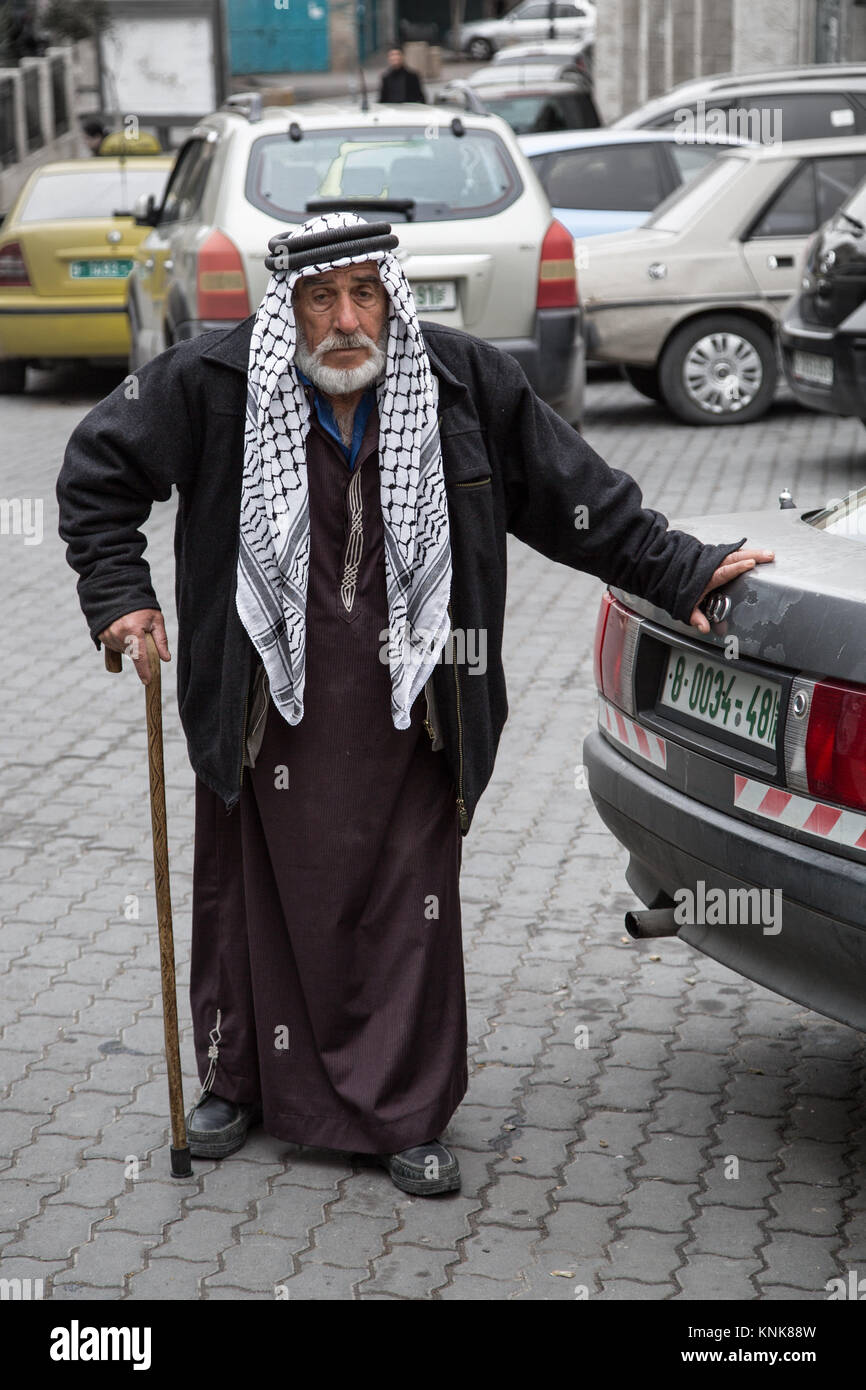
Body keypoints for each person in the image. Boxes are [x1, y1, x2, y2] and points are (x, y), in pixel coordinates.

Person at [57, 212, 773, 1197]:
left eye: (364, 295)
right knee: (251, 900)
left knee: (404, 910)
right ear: (289, 307)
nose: (345, 319)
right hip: (263, 702)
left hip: (415, 702)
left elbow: (574, 499)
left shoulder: (463, 382)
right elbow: (98, 473)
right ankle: (237, 1081)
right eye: (321, 297)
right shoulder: (211, 381)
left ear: (391, 297)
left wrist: (682, 567)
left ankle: (402, 1116)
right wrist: (121, 595)